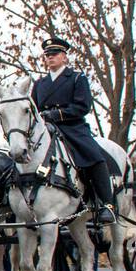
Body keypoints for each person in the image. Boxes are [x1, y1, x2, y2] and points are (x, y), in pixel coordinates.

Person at [31, 38, 116, 226]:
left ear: (64, 57)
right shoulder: (39, 84)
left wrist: (55, 114)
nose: (50, 58)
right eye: (47, 55)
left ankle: (107, 204)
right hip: (47, 129)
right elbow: (34, 111)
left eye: (54, 54)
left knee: (94, 156)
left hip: (72, 127)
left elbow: (82, 106)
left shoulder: (77, 78)